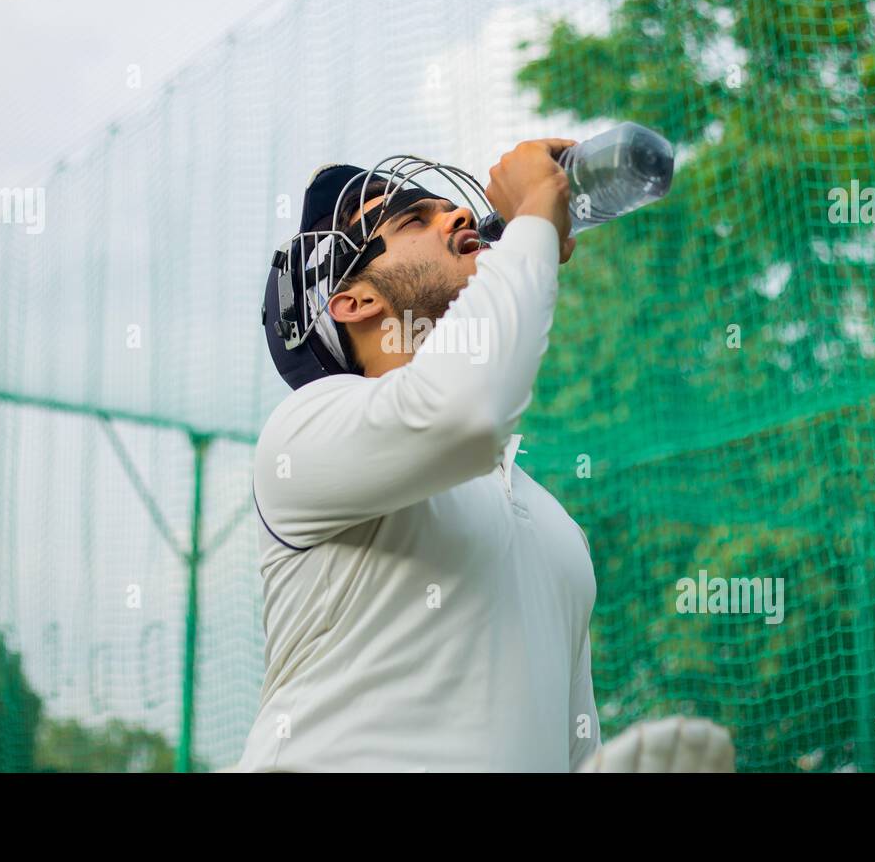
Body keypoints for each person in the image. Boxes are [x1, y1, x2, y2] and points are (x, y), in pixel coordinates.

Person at [242, 139, 731, 772]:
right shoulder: (303, 430)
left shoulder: (557, 526)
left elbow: (569, 749)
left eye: (449, 209)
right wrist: (534, 220)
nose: (459, 215)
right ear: (354, 302)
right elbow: (464, 413)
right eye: (412, 220)